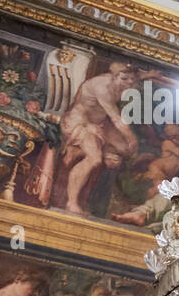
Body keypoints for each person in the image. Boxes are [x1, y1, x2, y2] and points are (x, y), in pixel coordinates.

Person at [56, 62, 140, 215]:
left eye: (131, 80)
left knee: (123, 150)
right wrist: (133, 140)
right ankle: (71, 203)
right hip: (79, 123)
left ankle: (78, 153)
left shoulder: (122, 83)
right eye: (125, 79)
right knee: (94, 159)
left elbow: (139, 76)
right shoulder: (102, 87)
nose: (129, 83)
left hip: (99, 124)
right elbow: (116, 119)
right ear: (114, 77)